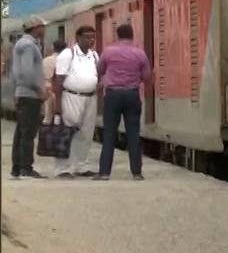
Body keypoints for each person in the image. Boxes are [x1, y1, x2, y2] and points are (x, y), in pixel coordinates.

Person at [94, 23, 151, 181]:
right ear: (132, 35)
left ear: (117, 35)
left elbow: (99, 70)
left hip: (112, 95)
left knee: (109, 134)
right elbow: (147, 77)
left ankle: (104, 173)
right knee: (133, 134)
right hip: (132, 95)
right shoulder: (140, 53)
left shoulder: (108, 52)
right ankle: (137, 173)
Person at [50, 26, 101, 179]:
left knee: (86, 133)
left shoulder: (94, 55)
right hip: (71, 96)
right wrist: (58, 106)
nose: (91, 40)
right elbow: (58, 80)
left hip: (90, 97)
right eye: (87, 37)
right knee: (67, 132)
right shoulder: (68, 54)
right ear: (78, 38)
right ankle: (62, 168)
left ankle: (81, 165)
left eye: (93, 37)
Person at [9, 18, 47, 179]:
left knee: (21, 132)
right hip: (30, 94)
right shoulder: (29, 46)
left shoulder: (22, 44)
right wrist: (39, 90)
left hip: (24, 93)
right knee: (28, 133)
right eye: (42, 27)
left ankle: (17, 167)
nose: (44, 30)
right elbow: (27, 72)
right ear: (35, 28)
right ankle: (26, 167)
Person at [40, 40, 66, 123]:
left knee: (47, 115)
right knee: (59, 115)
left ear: (53, 48)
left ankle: (46, 129)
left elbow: (41, 75)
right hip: (60, 90)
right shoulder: (65, 61)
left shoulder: (45, 61)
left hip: (47, 88)